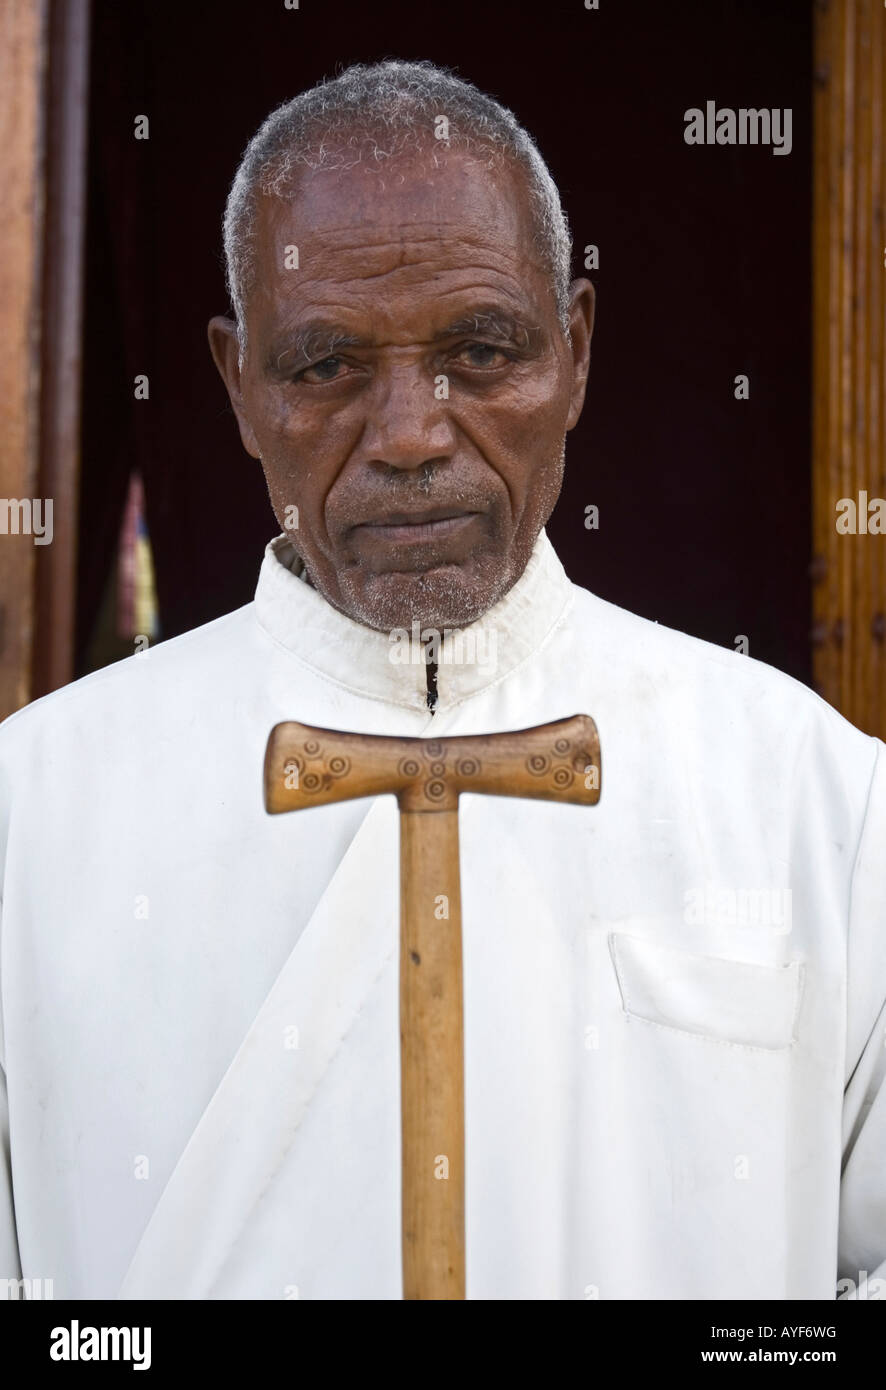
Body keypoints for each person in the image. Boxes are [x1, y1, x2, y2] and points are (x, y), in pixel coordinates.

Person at [0, 59, 883, 1301]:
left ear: (573, 352)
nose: (412, 433)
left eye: (481, 349)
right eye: (325, 368)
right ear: (237, 387)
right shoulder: (31, 814)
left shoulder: (817, 803)